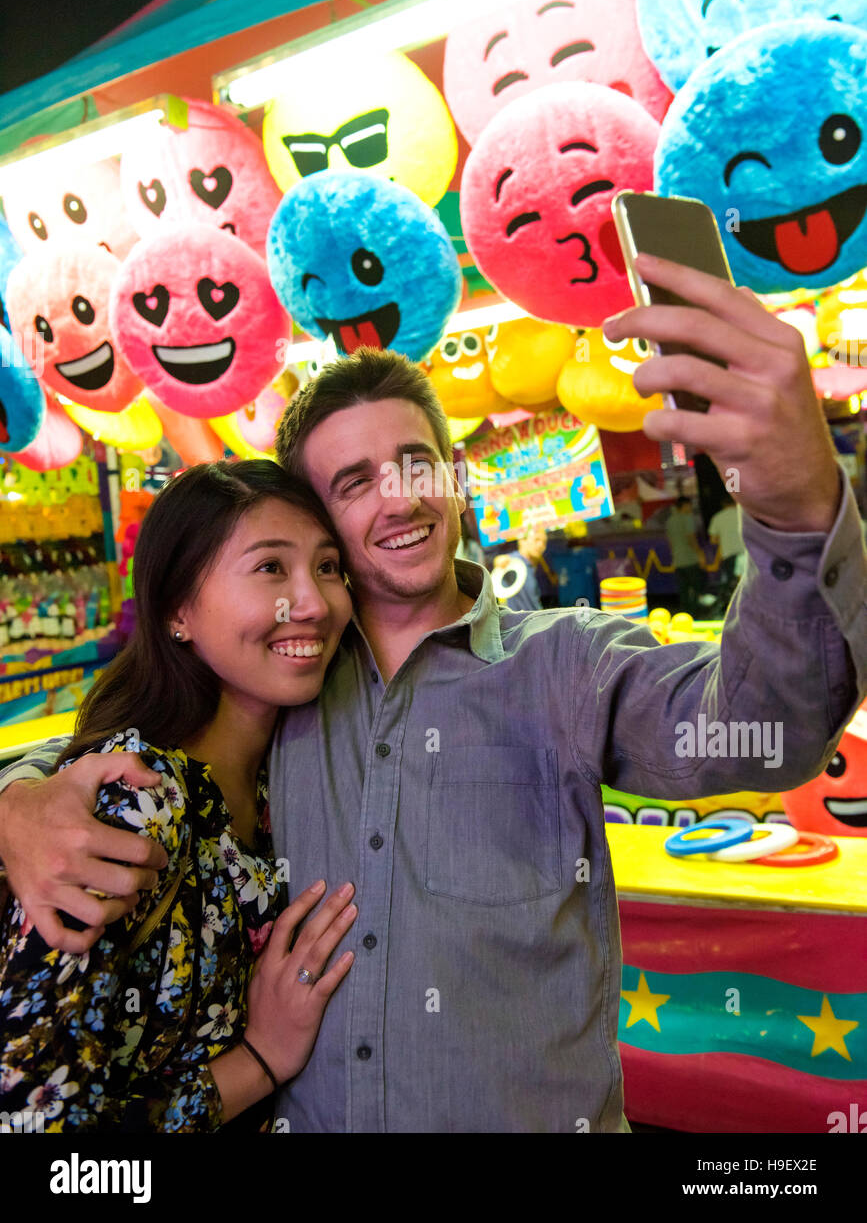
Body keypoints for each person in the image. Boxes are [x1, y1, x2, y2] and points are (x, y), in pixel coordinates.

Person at [1, 253, 865, 1133]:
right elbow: (139, 756)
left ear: (452, 473)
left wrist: (794, 507)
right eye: (353, 482)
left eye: (416, 464)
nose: (399, 499)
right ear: (314, 516)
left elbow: (766, 733)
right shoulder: (284, 685)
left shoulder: (567, 664)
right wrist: (14, 804)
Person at [0, 460, 357, 1131]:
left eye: (329, 566)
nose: (312, 602)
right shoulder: (134, 804)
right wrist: (260, 1057)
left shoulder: (291, 778)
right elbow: (34, 1121)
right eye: (270, 569)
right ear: (178, 612)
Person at [665, 493, 706, 615]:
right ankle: (695, 615)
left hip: (678, 561)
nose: (691, 508)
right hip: (690, 559)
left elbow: (670, 542)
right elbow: (691, 539)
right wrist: (700, 555)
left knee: (683, 591)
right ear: (685, 505)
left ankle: (685, 615)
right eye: (690, 505)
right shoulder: (687, 518)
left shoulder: (670, 521)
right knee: (696, 589)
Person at [708, 491, 746, 603]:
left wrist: (725, 537)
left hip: (729, 555)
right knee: (749, 583)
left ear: (723, 505)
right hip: (746, 555)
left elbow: (713, 540)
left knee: (733, 585)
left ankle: (736, 608)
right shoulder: (743, 514)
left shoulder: (718, 518)